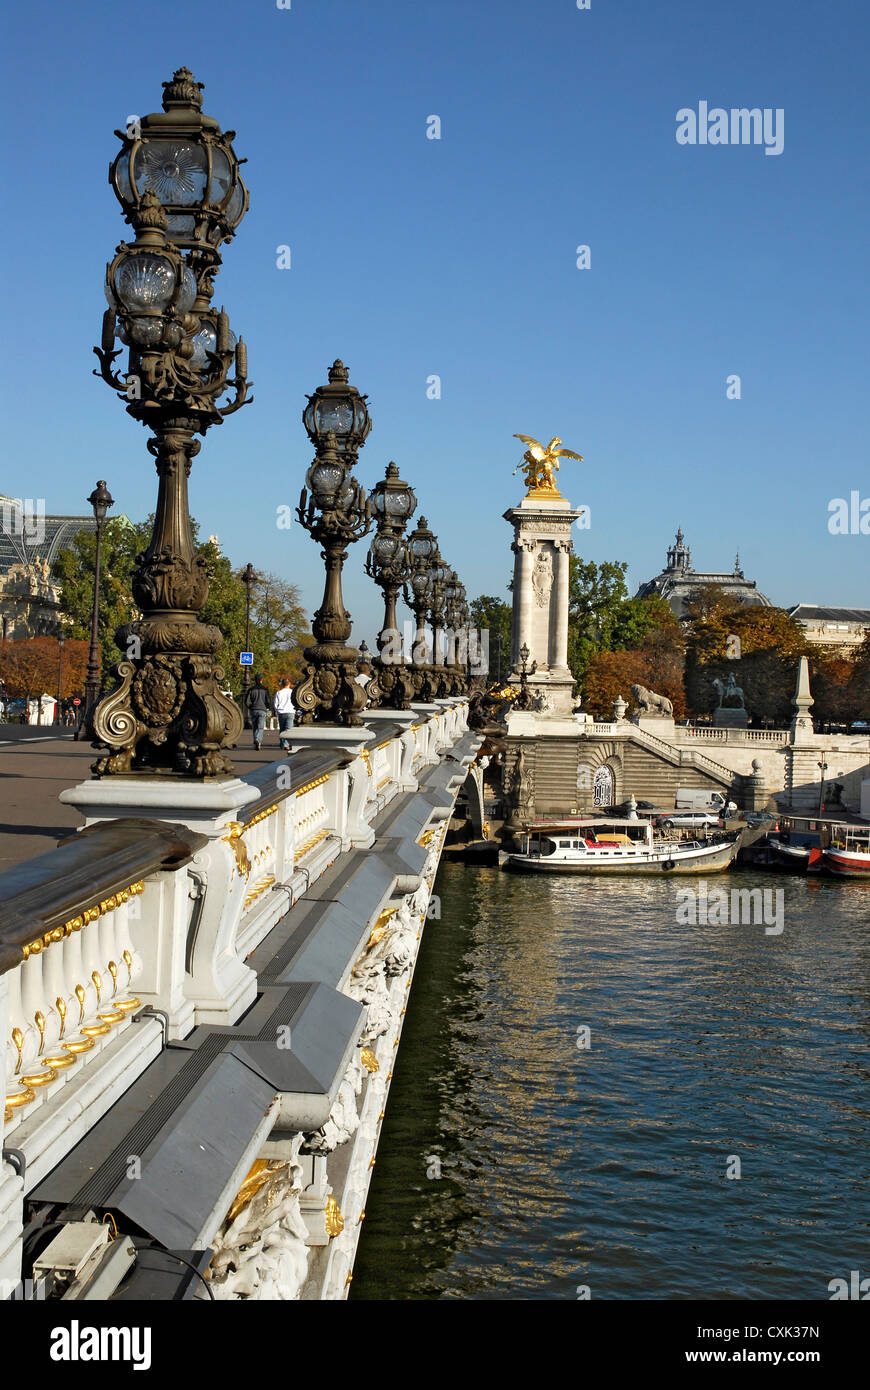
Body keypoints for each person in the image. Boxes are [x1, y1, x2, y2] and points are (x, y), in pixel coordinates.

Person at [244, 674, 271, 750]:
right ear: (261, 680)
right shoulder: (265, 689)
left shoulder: (251, 689)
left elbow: (247, 701)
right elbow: (268, 700)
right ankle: (258, 740)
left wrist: (250, 706)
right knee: (260, 727)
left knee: (255, 727)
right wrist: (268, 707)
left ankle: (255, 741)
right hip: (262, 709)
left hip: (253, 710)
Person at [273, 678, 295, 751]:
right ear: (289, 684)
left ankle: (283, 744)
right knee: (288, 729)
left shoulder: (279, 693)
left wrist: (277, 711)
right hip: (291, 712)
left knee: (282, 729)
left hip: (282, 712)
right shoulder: (293, 692)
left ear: (282, 684)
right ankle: (287, 744)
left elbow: (276, 704)